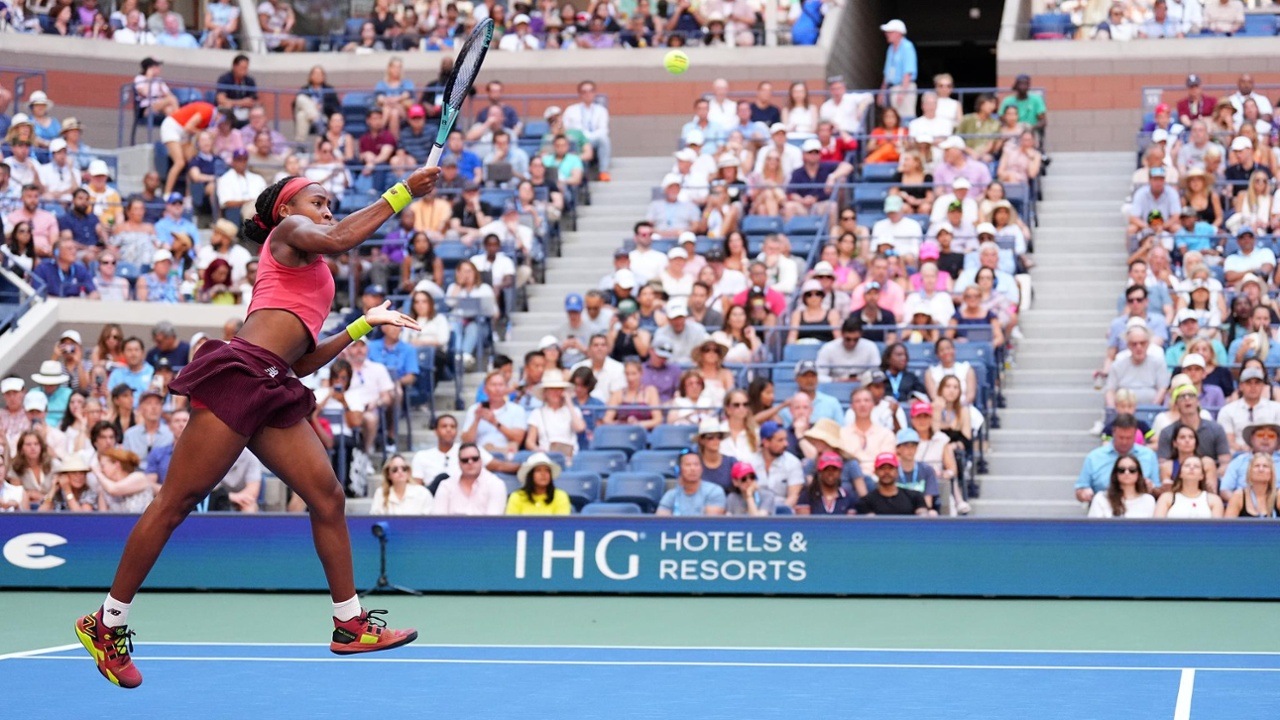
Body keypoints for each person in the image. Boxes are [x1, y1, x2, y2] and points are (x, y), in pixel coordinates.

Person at [73, 168, 439, 687]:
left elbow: (304, 361)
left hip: (274, 380)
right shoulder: (286, 235)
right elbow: (340, 238)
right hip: (241, 373)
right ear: (287, 212)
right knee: (175, 502)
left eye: (332, 202)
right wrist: (403, 192)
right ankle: (106, 623)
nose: (329, 209)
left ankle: (349, 623)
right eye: (319, 200)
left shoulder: (316, 271)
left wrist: (364, 322)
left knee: (328, 498)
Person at [1075, 413, 1160, 503]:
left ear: (1135, 434)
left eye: (1129, 438)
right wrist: (1083, 493)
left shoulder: (1149, 456)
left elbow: (1157, 490)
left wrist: (1152, 488)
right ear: (1113, 433)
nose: (1124, 442)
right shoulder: (1094, 457)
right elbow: (1080, 489)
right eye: (1121, 437)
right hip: (1103, 509)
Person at [432, 442, 508, 515]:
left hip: (485, 528)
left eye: (475, 459)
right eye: (465, 460)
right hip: (451, 528)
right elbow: (438, 521)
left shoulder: (496, 484)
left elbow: (493, 522)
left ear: (481, 460)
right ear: (459, 463)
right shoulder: (446, 485)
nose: (470, 462)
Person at [856, 452, 932, 516]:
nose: (886, 472)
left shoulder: (915, 497)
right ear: (875, 471)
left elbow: (923, 520)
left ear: (897, 471)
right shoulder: (866, 501)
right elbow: (869, 526)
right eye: (882, 468)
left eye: (890, 468)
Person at [657, 450, 727, 516]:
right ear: (680, 469)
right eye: (688, 465)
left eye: (696, 465)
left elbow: (710, 523)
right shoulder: (671, 495)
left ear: (701, 469)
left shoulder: (714, 491)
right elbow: (661, 522)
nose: (692, 468)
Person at [1155, 455, 1225, 518]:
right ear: (1180, 474)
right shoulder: (1166, 498)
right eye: (1187, 465)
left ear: (1202, 476)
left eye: (1196, 466)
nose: (1191, 468)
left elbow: (1216, 530)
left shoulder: (1214, 500)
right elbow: (1157, 527)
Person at [1088, 456, 1157, 518]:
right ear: (1116, 473)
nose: (1127, 473)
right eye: (1121, 470)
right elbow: (1092, 528)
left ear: (1138, 473)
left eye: (1132, 470)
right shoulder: (1101, 498)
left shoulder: (1148, 500)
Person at [506, 452, 571, 515]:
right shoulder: (517, 497)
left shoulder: (560, 496)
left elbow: (561, 525)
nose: (543, 474)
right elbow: (511, 524)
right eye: (538, 470)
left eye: (547, 470)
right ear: (530, 475)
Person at [878, 19, 916, 122]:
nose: (887, 34)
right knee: (893, 119)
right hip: (892, 88)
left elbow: (908, 72)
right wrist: (882, 91)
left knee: (905, 117)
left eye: (890, 32)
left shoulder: (907, 47)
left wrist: (903, 92)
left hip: (905, 86)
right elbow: (887, 73)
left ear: (898, 33)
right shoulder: (890, 49)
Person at [1225, 452, 1280, 519]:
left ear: (1271, 472)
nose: (1261, 469)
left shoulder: (1278, 495)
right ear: (1250, 471)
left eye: (1265, 466)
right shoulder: (1239, 496)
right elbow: (1227, 526)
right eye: (1257, 466)